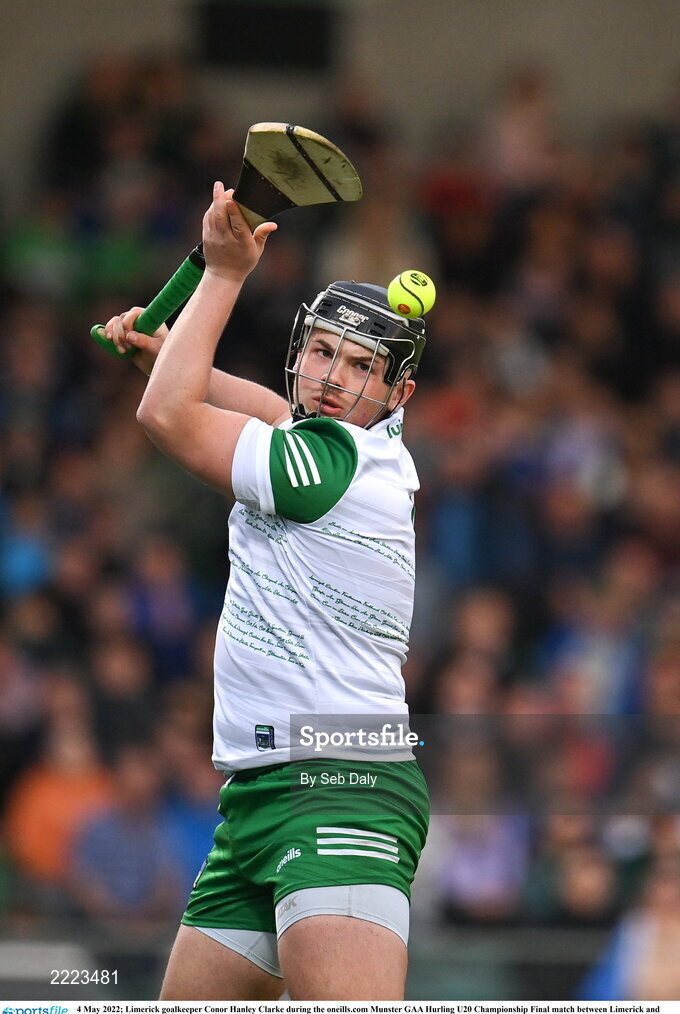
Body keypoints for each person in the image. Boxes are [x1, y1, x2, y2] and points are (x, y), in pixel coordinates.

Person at [103, 181, 430, 1000]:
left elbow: (167, 418)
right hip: (260, 793)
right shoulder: (326, 443)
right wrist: (173, 352)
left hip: (340, 786)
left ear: (398, 397)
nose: (333, 380)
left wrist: (222, 275)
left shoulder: (330, 465)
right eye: (322, 352)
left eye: (363, 368)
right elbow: (247, 406)